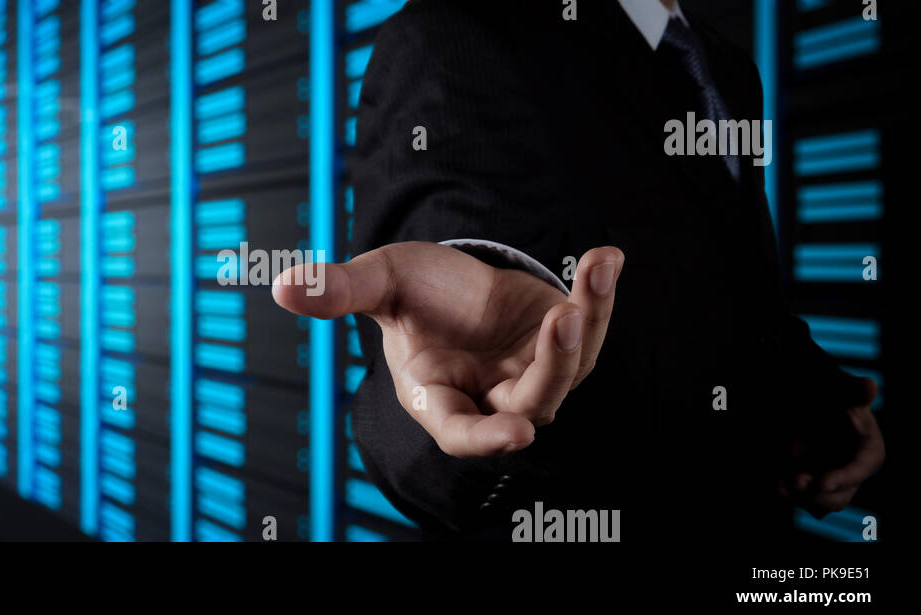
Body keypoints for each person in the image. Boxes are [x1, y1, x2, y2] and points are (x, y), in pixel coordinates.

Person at [273, 0, 884, 541]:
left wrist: (818, 405)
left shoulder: (722, 64)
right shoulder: (457, 30)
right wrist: (472, 410)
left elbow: (730, 290)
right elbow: (424, 375)